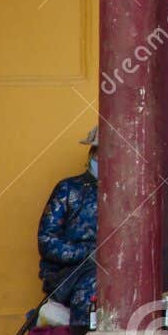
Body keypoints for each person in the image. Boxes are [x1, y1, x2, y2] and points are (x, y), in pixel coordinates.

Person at [37, 127, 98, 321]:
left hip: (113, 270)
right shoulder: (69, 189)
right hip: (72, 273)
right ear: (92, 154)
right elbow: (46, 240)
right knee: (91, 293)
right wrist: (87, 253)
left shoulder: (128, 195)